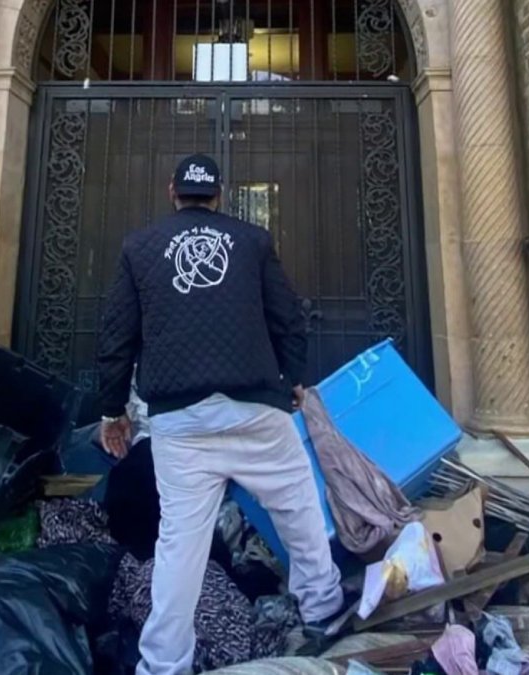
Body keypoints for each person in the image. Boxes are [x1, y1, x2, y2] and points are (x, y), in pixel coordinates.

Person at [97, 155, 346, 675]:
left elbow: (116, 337)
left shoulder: (139, 248)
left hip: (179, 420)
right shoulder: (252, 241)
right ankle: (324, 608)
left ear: (172, 191)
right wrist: (294, 379)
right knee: (298, 503)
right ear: (219, 195)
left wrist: (111, 411)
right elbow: (288, 315)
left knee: (180, 544)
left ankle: (163, 663)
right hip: (254, 408)